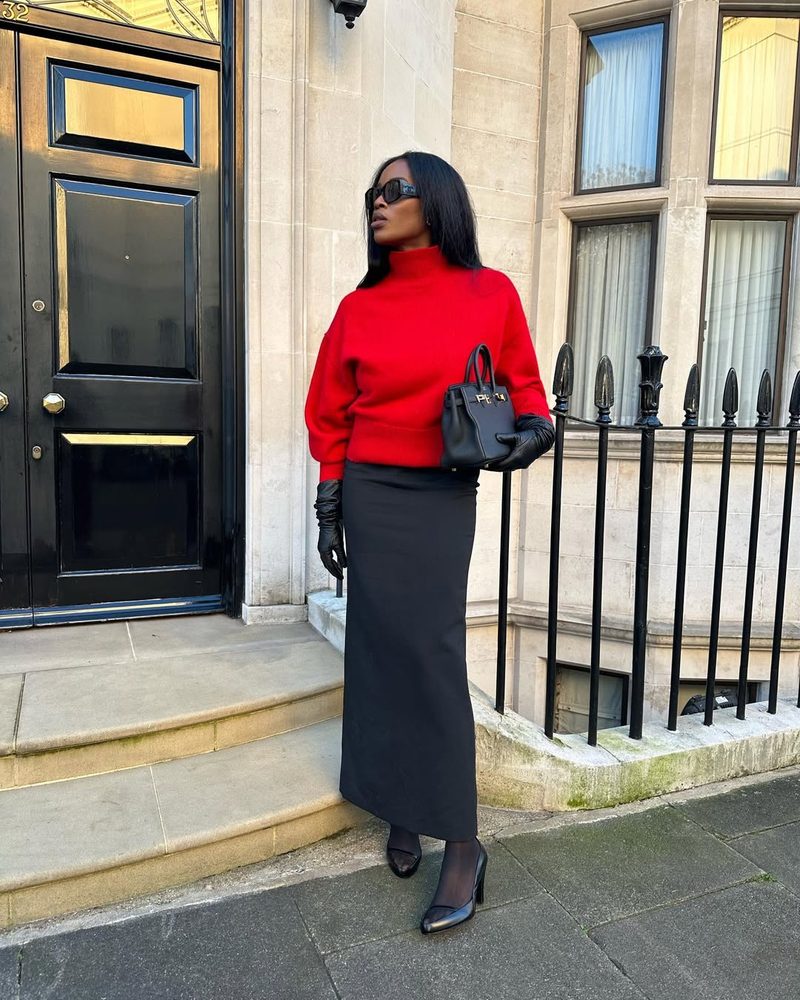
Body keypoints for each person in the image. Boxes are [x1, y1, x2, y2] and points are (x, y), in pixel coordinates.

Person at [304, 151, 554, 934]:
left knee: (432, 654)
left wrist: (534, 434)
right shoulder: (358, 306)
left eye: (395, 190)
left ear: (436, 199)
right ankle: (397, 808)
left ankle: (465, 844)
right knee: (377, 648)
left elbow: (526, 392)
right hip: (371, 492)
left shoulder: (492, 292)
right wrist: (330, 501)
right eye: (372, 192)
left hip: (442, 494)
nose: (378, 203)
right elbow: (330, 410)